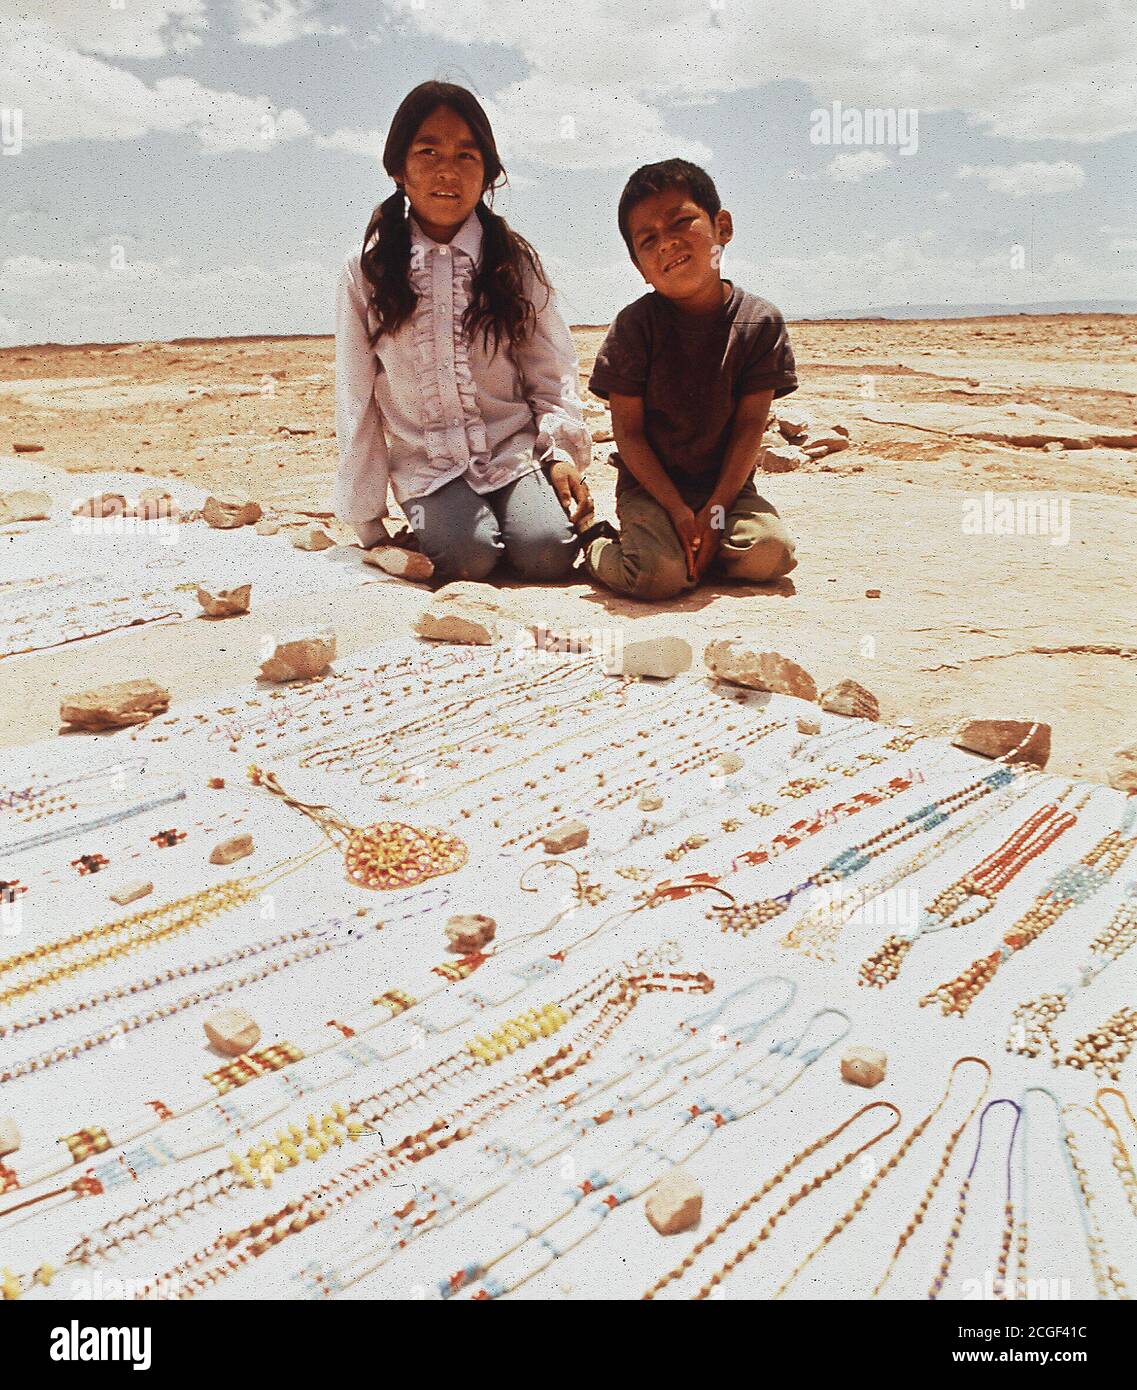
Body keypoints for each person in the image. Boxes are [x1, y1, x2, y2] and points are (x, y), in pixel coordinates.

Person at [333, 81, 595, 586]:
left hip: (510, 453)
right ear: (397, 169)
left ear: (488, 173)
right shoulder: (365, 270)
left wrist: (560, 454)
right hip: (426, 465)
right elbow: (355, 394)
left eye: (466, 155)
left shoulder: (513, 262)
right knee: (470, 559)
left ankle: (522, 516)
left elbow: (553, 368)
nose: (447, 170)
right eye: (427, 151)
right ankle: (437, 529)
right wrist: (368, 520)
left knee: (548, 555)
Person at [583, 158, 799, 601]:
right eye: (648, 240)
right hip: (653, 490)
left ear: (722, 227)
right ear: (638, 265)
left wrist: (715, 512)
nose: (667, 243)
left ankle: (696, 551)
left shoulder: (759, 322)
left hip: (728, 490)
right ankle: (594, 543)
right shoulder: (634, 327)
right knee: (657, 577)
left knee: (770, 553)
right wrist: (680, 513)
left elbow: (748, 430)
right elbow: (629, 433)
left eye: (681, 222)